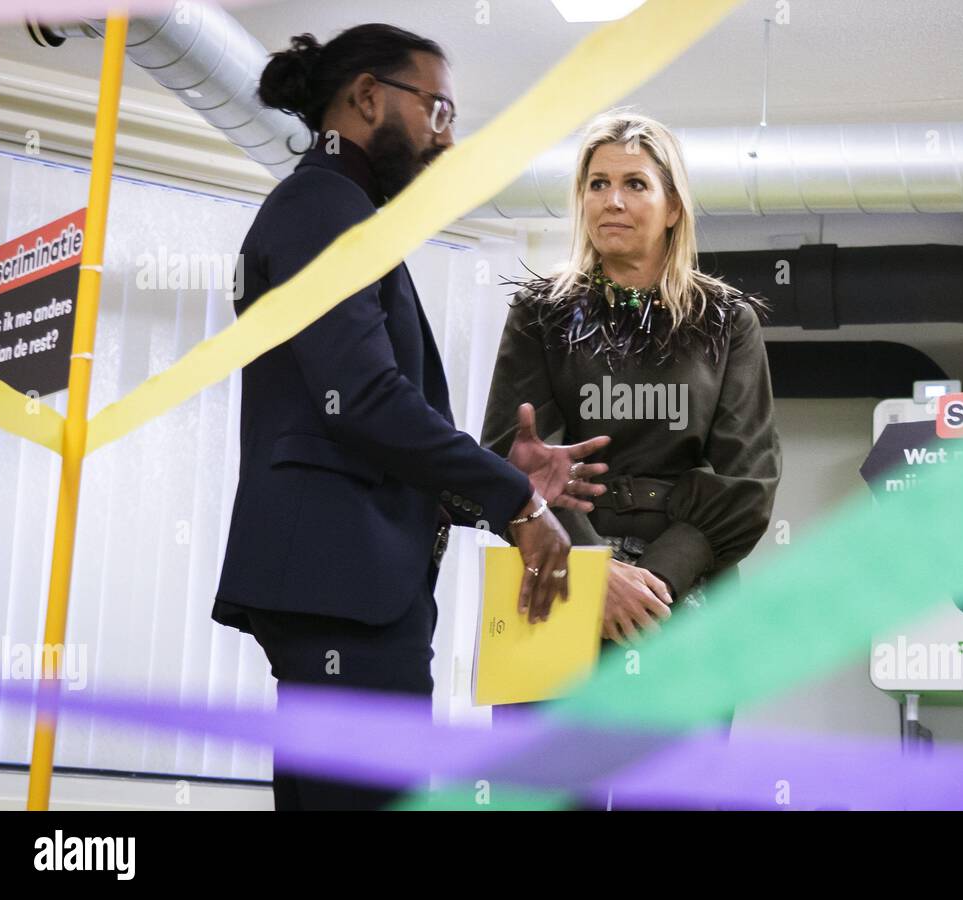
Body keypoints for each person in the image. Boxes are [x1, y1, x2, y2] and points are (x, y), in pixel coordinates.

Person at [212, 25, 610, 810]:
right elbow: (361, 399)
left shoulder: (342, 212)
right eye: (438, 110)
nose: (448, 136)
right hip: (341, 584)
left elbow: (361, 415)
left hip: (346, 585)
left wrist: (496, 480)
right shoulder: (323, 207)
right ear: (367, 98)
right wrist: (515, 502)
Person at [481, 111, 781, 678]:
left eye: (634, 184)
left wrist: (653, 583)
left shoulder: (727, 322)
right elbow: (511, 460)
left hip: (686, 591)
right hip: (557, 572)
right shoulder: (538, 316)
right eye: (598, 184)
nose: (612, 201)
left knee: (682, 767)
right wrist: (594, 574)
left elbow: (748, 480)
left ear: (673, 209)